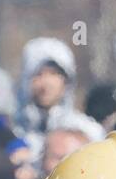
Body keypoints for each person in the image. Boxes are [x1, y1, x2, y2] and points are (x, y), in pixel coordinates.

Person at [16, 36, 77, 166]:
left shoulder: (84, 133)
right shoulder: (14, 133)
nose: (46, 83)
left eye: (53, 74)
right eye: (38, 74)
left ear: (67, 80)